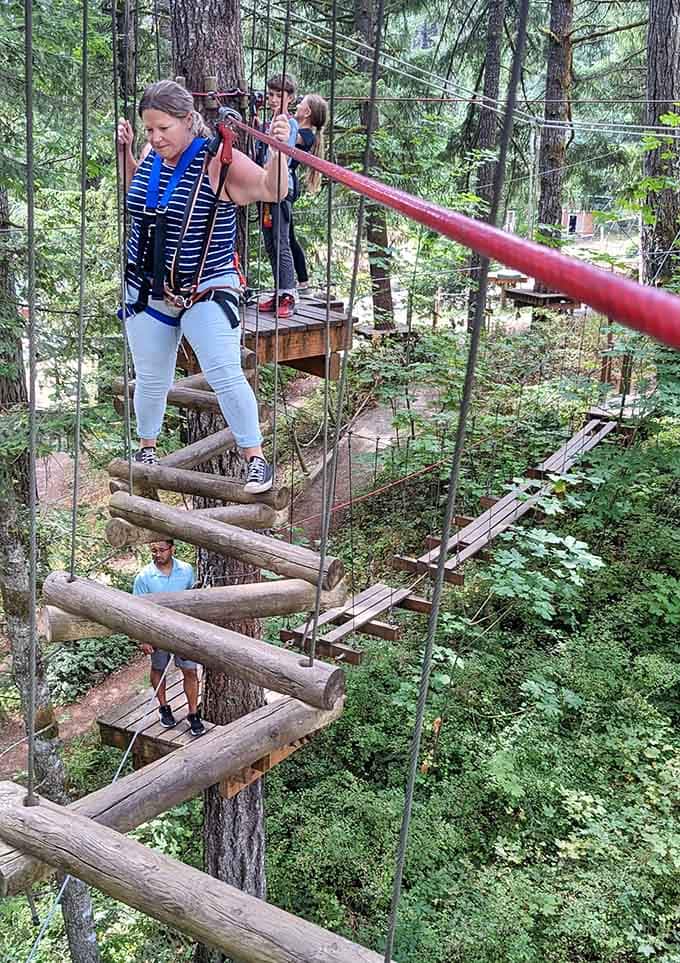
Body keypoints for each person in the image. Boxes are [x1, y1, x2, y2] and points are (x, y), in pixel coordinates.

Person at [116, 79, 292, 494]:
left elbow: (274, 189)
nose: (155, 138)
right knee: (151, 378)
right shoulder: (148, 155)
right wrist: (127, 151)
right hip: (146, 289)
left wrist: (280, 150)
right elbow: (138, 192)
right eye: (148, 130)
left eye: (163, 129)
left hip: (206, 288)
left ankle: (256, 460)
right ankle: (146, 449)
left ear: (187, 121)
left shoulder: (218, 162)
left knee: (224, 370)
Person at [133, 539, 205, 737]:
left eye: (161, 550)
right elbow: (136, 610)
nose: (157, 554)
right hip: (156, 632)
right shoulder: (144, 577)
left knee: (190, 670)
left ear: (172, 548)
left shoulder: (187, 570)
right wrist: (143, 639)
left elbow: (194, 598)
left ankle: (192, 713)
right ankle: (164, 707)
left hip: (183, 631)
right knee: (159, 669)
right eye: (153, 550)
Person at [255, 74, 299, 319]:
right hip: (266, 188)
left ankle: (289, 294)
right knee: (271, 243)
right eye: (270, 94)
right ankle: (279, 291)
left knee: (281, 242)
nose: (272, 100)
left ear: (289, 98)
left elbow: (287, 156)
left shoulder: (288, 124)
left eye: (278, 96)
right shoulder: (269, 123)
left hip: (281, 189)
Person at [288, 93, 328, 291]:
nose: (297, 105)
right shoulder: (302, 132)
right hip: (284, 182)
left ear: (307, 112)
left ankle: (302, 281)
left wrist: (281, 112)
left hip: (286, 184)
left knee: (287, 237)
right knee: (288, 236)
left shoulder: (306, 136)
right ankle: (302, 280)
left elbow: (285, 138)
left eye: (300, 103)